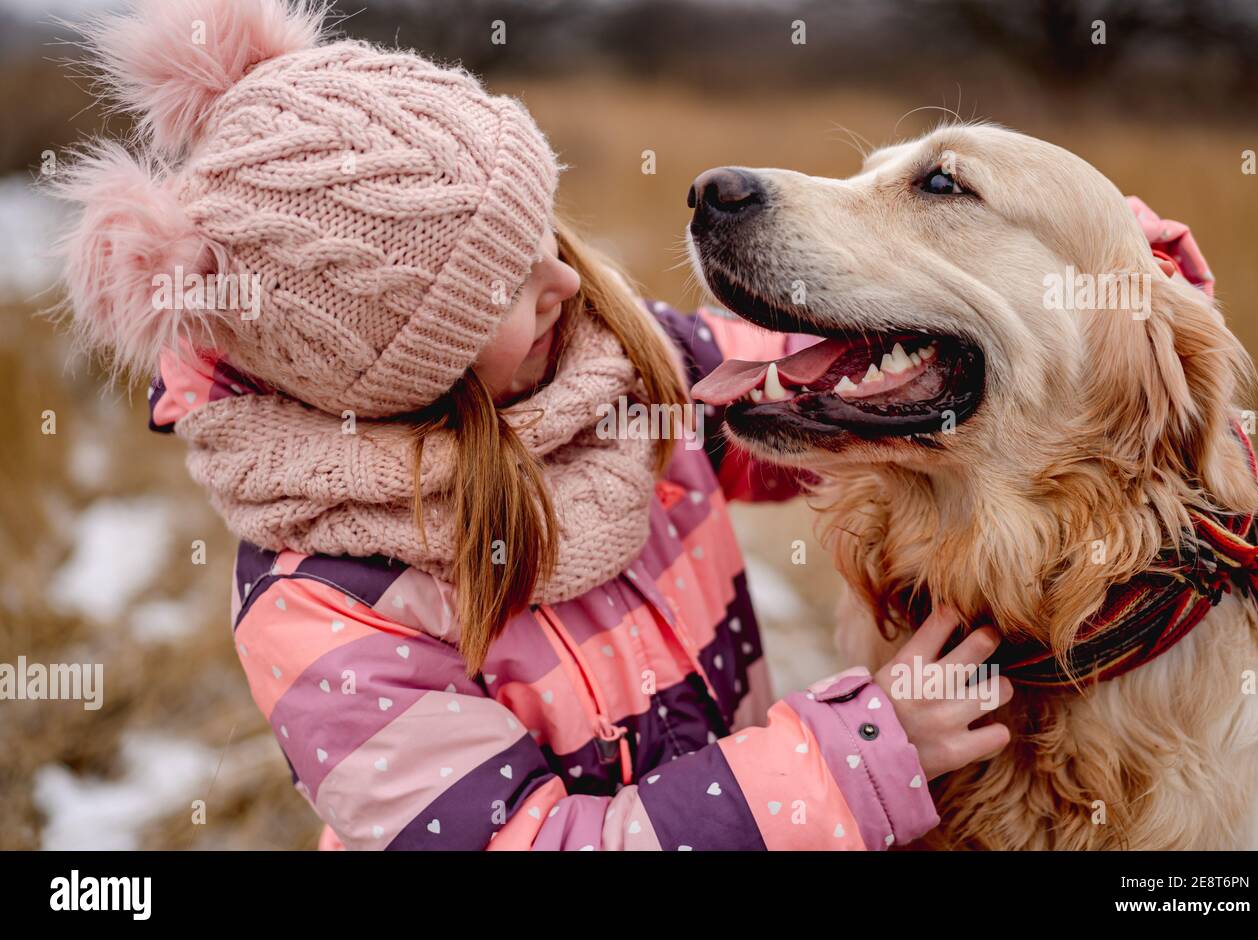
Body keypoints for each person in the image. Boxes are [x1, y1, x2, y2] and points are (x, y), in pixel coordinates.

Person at [53, 0, 1010, 850]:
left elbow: (811, 396)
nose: (564, 282)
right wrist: (858, 757)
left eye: (543, 235)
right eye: (503, 287)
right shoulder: (331, 610)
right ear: (401, 372)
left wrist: (1100, 276)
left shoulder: (618, 368)